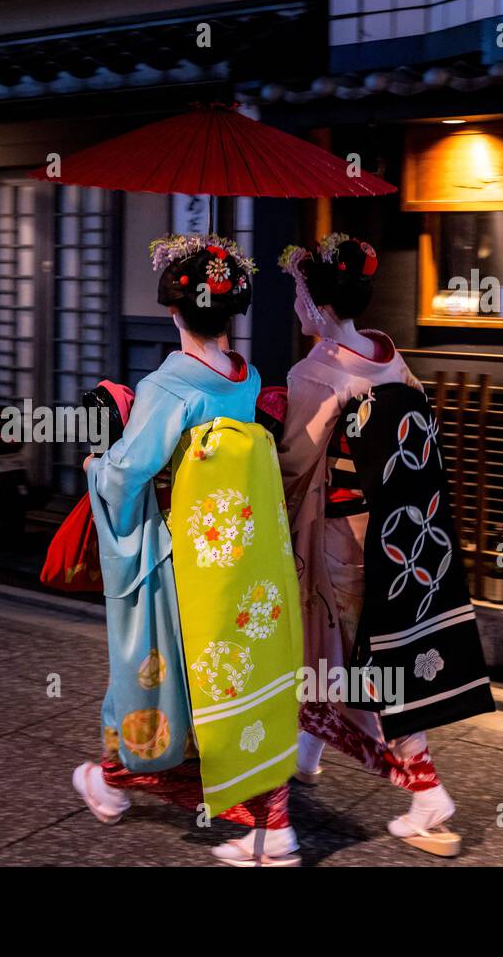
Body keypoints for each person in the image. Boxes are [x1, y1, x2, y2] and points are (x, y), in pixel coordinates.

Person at [72, 234, 305, 866]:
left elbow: (128, 474)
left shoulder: (168, 387)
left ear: (175, 312)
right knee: (235, 671)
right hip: (237, 553)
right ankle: (257, 811)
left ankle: (131, 782)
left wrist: (96, 464)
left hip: (183, 556)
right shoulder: (244, 376)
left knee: (156, 667)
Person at [278, 234, 476, 857]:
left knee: (362, 660)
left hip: (336, 536)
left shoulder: (314, 372)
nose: (297, 303)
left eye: (301, 293)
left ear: (318, 304)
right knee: (340, 648)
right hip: (391, 535)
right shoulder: (389, 358)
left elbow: (292, 464)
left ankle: (427, 792)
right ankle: (307, 753)